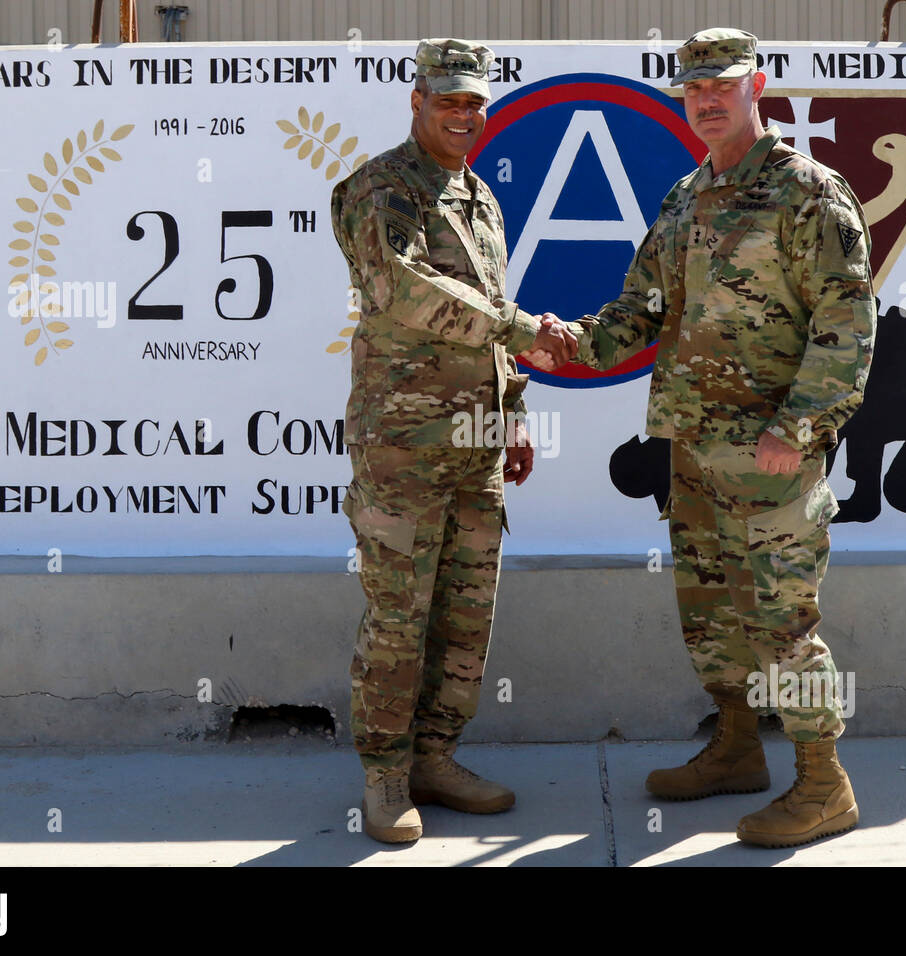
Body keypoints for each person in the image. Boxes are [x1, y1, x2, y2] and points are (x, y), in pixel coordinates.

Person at [540, 27, 876, 848]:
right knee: (713, 614)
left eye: (721, 85)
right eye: (693, 89)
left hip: (772, 461)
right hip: (692, 451)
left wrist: (796, 430)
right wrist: (572, 342)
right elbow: (644, 308)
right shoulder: (686, 197)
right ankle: (734, 748)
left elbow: (847, 324)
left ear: (755, 85)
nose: (707, 100)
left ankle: (824, 784)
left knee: (781, 622)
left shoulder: (808, 194)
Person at [329, 37, 577, 844]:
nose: (464, 115)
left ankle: (435, 757)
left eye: (475, 102)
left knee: (466, 619)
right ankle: (384, 777)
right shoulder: (378, 189)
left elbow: (489, 316)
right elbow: (401, 290)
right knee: (399, 616)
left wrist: (513, 411)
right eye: (449, 101)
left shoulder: (480, 199)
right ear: (417, 101)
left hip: (476, 445)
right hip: (403, 446)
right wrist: (517, 328)